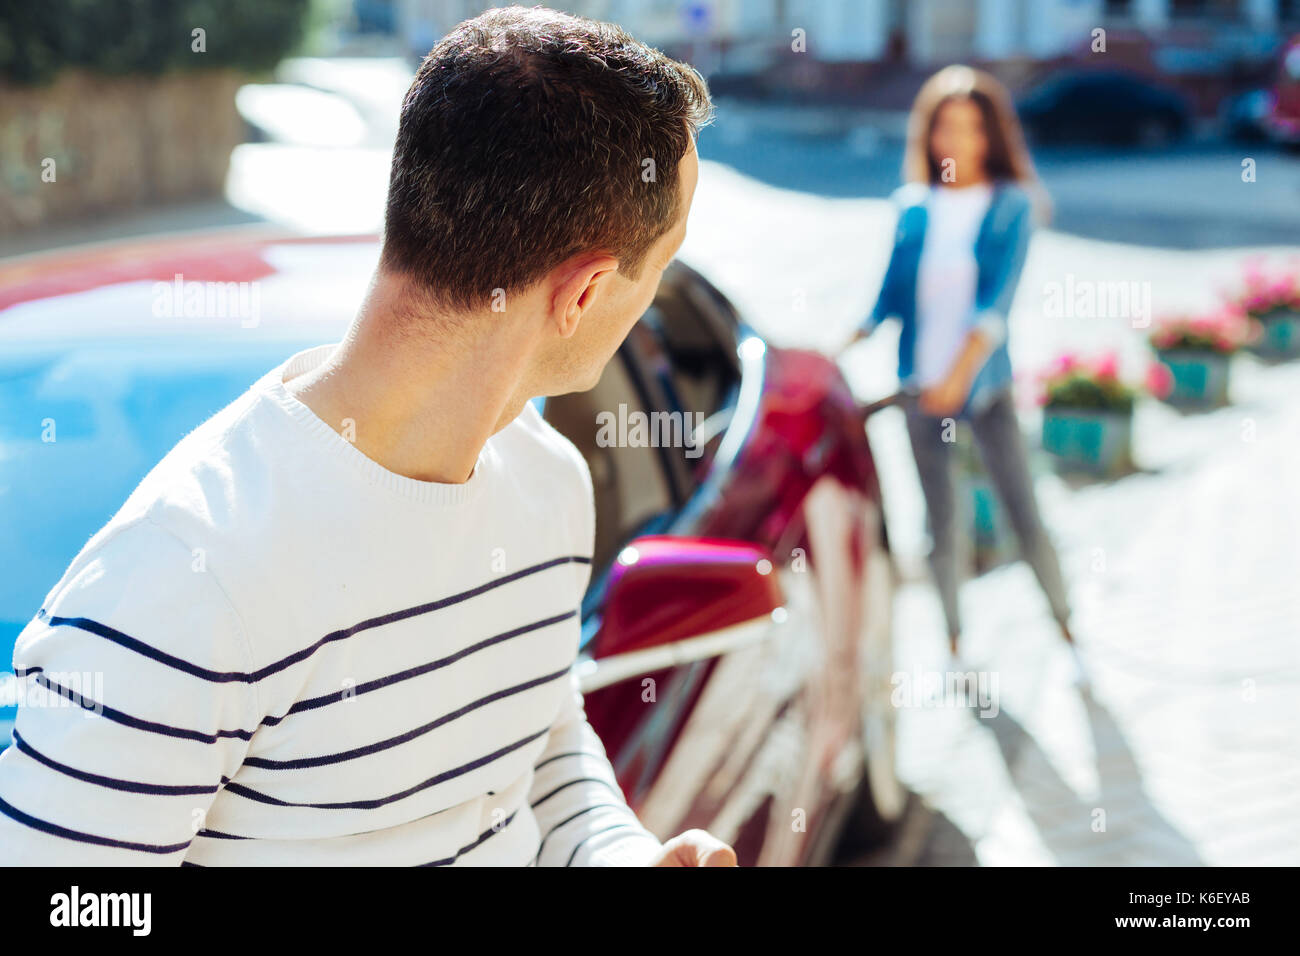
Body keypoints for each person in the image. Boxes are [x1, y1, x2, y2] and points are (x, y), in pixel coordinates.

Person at [0, 7, 736, 866]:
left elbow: (535, 746)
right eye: (663, 261)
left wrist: (619, 855)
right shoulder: (182, 579)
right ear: (584, 294)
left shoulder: (551, 486)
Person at [848, 66, 1082, 680]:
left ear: (991, 135)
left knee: (1021, 509)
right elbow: (886, 300)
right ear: (929, 134)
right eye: (946, 126)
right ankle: (954, 644)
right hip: (920, 391)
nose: (957, 140)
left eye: (971, 128)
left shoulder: (1011, 205)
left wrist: (958, 374)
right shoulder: (913, 207)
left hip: (984, 390)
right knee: (940, 523)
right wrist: (844, 341)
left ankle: (1064, 619)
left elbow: (994, 309)